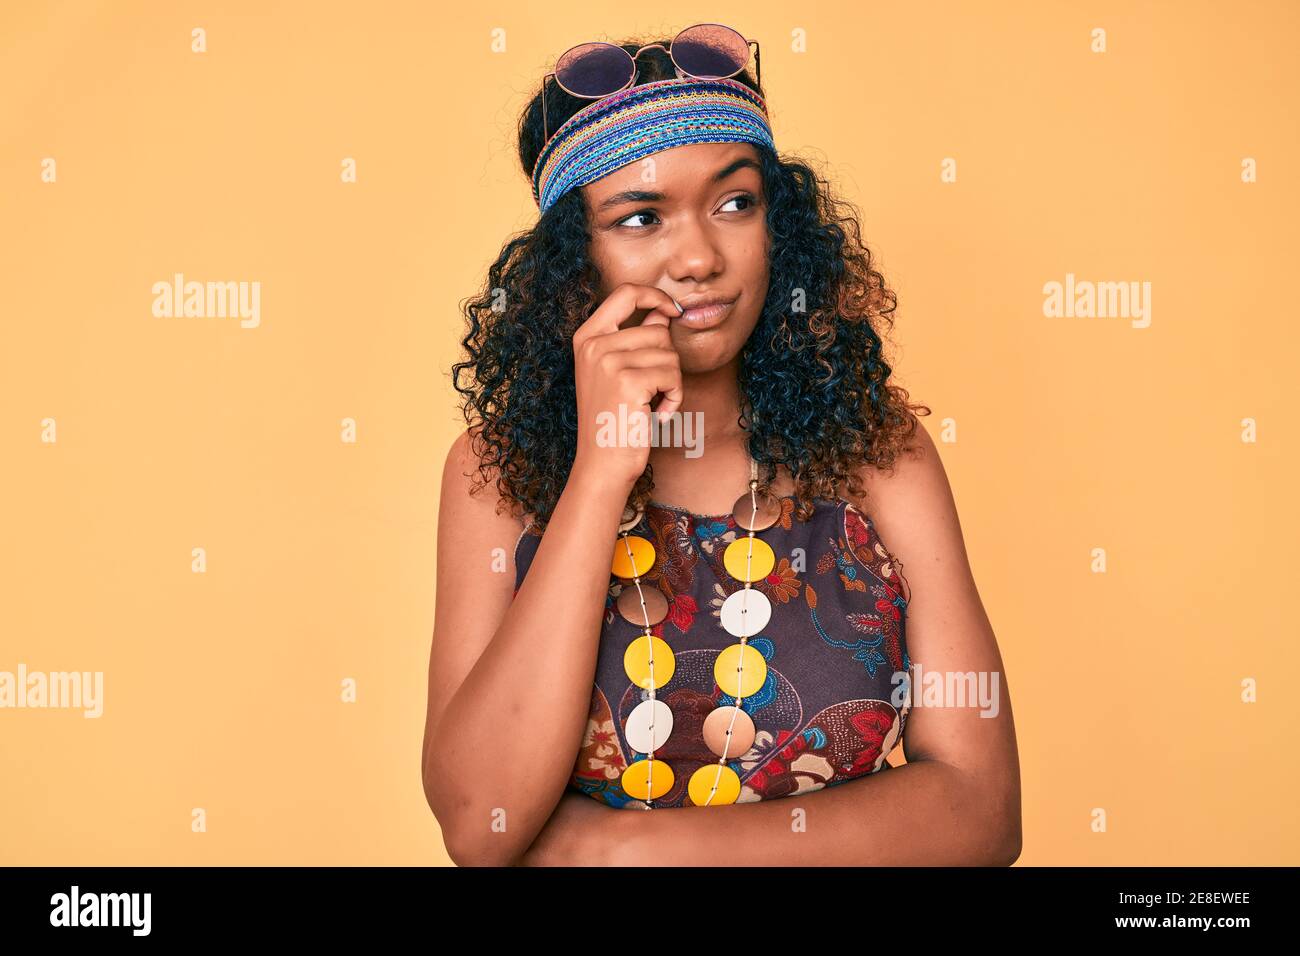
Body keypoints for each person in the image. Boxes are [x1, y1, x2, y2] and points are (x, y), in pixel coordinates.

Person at [422, 25, 1021, 867]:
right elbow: (479, 824)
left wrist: (629, 852)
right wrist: (600, 472)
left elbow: (982, 811)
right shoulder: (497, 480)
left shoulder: (884, 455)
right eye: (640, 218)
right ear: (574, 263)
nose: (699, 256)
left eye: (735, 203)